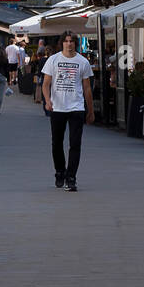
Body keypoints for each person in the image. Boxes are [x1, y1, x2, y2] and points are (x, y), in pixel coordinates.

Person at [42, 32, 94, 192]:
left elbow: (87, 88)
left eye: (72, 41)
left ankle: (71, 178)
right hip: (57, 108)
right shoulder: (53, 60)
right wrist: (47, 100)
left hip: (76, 108)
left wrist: (90, 110)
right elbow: (45, 84)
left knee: (75, 144)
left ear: (75, 44)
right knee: (56, 143)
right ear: (61, 43)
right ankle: (60, 171)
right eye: (66, 41)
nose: (69, 44)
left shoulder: (83, 62)